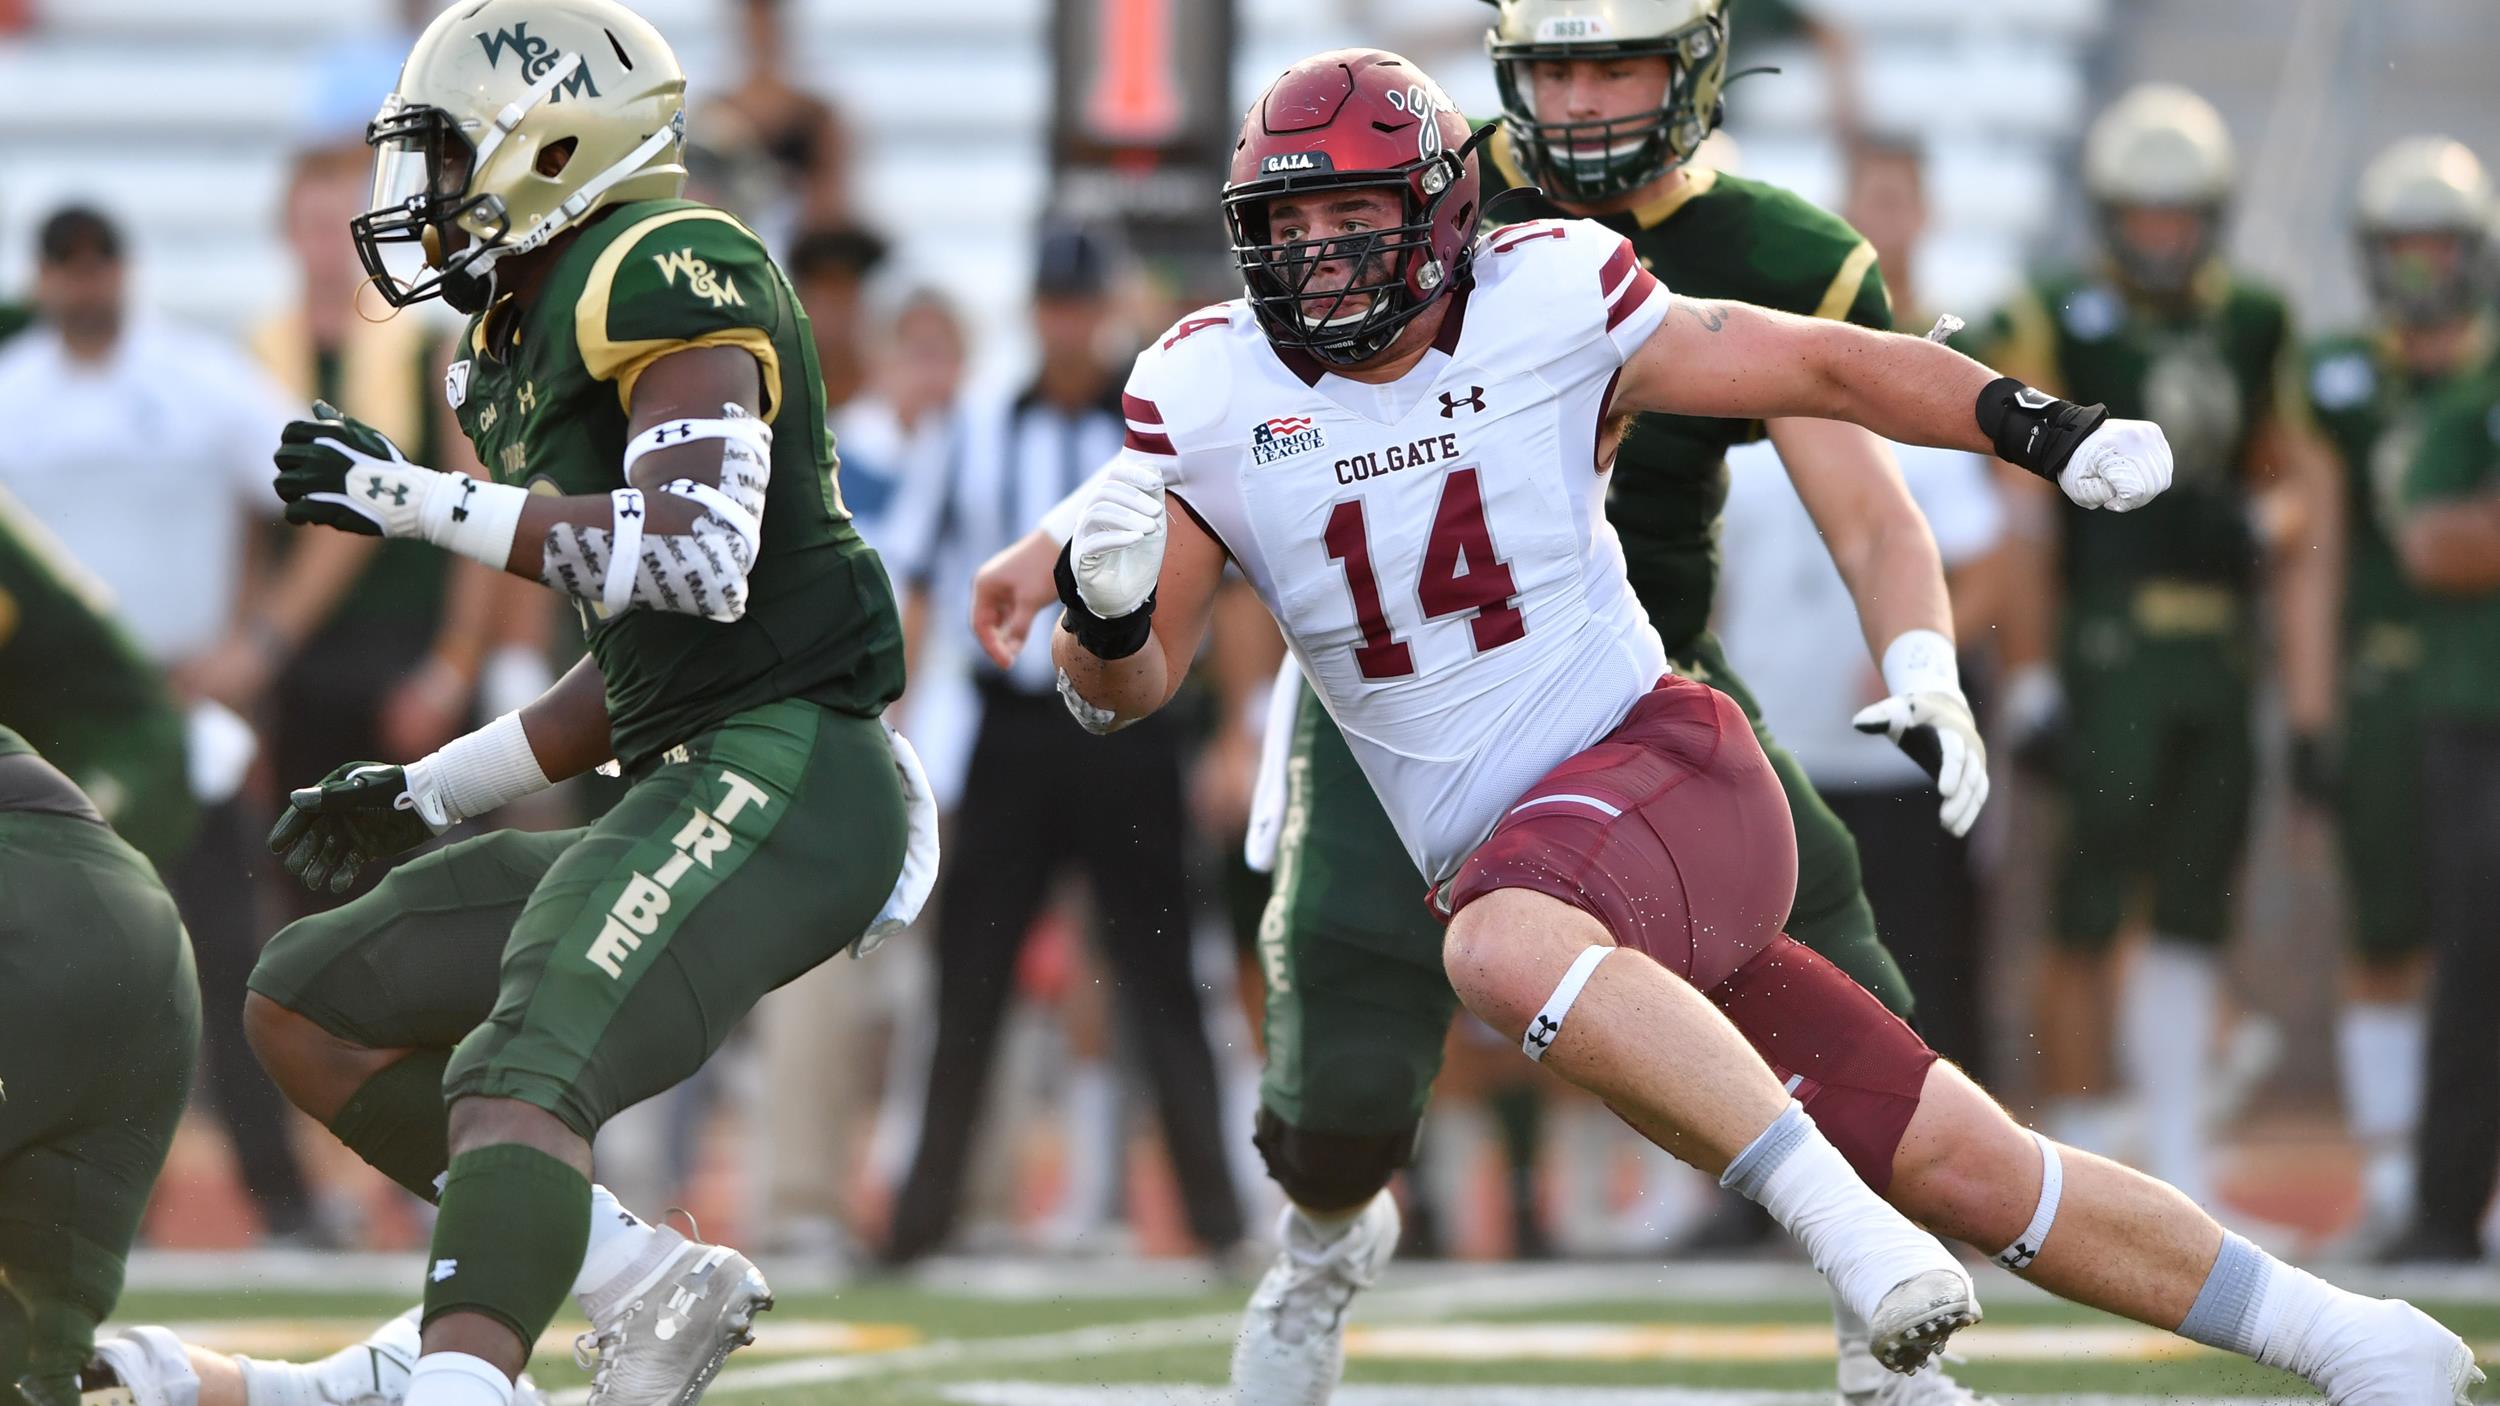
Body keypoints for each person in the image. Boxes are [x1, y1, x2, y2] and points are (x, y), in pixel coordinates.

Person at [1051, 43, 2473, 1403]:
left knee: (1493, 942)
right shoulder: (1208, 385)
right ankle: (2360, 1341)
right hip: (1552, 869)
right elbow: (1131, 688)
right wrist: (1101, 617)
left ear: (1440, 212)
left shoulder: (1549, 295)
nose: (1320, 256)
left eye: (1354, 215)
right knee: (1971, 1163)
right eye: (1288, 223)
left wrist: (2037, 425)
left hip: (1665, 769)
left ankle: (1850, 1241)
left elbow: (1830, 365)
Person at [973, 2, 1980, 1394]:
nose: (1580, 101)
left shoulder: (1766, 247)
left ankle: (1881, 1297)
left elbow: (1859, 485)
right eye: (1553, 66)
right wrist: (1072, 539)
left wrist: (1922, 650)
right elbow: (1233, 429)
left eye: (1614, 62)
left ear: (1691, 65)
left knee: (1829, 945)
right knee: (1336, 1068)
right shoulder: (1397, 174)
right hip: (1400, 697)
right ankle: (1327, 1239)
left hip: (1639, 670)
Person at [234, 9, 935, 1406]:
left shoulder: (661, 264)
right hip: (697, 766)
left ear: (553, 140)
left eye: (442, 156)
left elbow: (695, 555)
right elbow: (636, 668)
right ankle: (640, 1277)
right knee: (306, 999)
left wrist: (411, 500)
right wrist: (431, 788)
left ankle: (465, 1386)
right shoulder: (508, 339)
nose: (420, 194)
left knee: (520, 1057)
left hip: (797, 769)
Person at [1965, 84, 2316, 1210]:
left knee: (2191, 898)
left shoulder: (2254, 318)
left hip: (2216, 645)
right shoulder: (2058, 311)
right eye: (2142, 211)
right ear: (2110, 211)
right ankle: (2072, 1149)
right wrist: (2027, 673)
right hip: (2106, 638)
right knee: (2086, 894)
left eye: (2179, 212)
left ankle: (2176, 1155)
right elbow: (2015, 507)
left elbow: (2294, 479)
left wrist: (2270, 524)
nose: (2161, 233)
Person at [878, 223, 1243, 1266]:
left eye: (1084, 305)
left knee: (1162, 968)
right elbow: (912, 569)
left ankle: (1214, 1217)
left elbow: (1230, 576)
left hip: (1135, 727)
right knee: (970, 971)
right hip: (1015, 728)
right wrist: (888, 711)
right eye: (1054, 305)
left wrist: (1236, 721)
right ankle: (920, 1216)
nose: (1070, 326)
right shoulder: (976, 424)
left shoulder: (1154, 426)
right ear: (1034, 312)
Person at [0, 723, 535, 1406]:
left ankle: (618, 1258)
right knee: (34, 1372)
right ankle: (326, 1393)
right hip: (129, 930)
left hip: (36, 916)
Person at [0, 203, 333, 1245]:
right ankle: (83, 1205)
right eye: (65, 265)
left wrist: (261, 642)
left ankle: (280, 1195)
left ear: (124, 269)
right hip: (52, 721)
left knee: (223, 957)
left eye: (98, 261)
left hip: (173, 709)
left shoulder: (194, 380)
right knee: (59, 967)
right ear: (43, 277)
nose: (83, 282)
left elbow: (330, 492)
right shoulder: (14, 394)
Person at [2288, 135, 2497, 1257]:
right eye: (2401, 246)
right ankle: (2387, 1173)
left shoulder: (2483, 378)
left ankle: (2469, 1182)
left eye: (2438, 244)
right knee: (2385, 930)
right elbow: (2317, 551)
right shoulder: (2340, 378)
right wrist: (2312, 713)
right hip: (2385, 683)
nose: (2421, 268)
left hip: (2477, 682)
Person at [2388, 202, 2500, 1267]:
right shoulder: (2475, 397)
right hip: (2479, 715)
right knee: (2474, 960)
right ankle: (2443, 1202)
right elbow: (2433, 542)